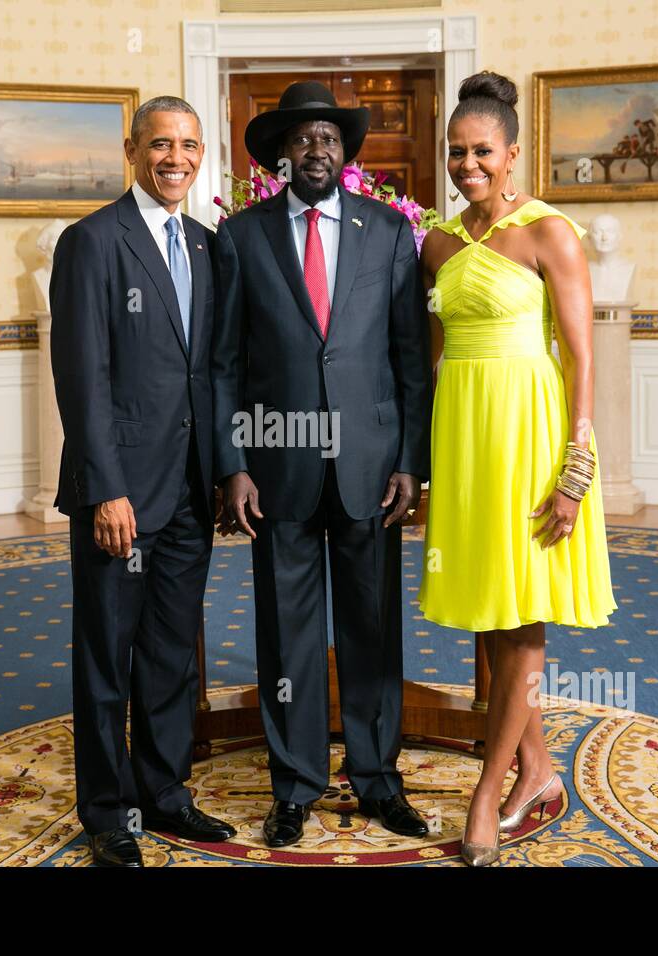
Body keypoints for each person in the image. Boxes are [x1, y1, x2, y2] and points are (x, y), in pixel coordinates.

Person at [212, 81, 434, 848]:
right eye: (303, 139)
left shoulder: (385, 232)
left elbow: (410, 356)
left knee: (373, 629)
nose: (317, 150)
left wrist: (411, 458)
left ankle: (378, 779)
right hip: (278, 469)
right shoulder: (240, 237)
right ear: (282, 153)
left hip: (372, 467)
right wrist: (233, 464)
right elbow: (224, 364)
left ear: (347, 153)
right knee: (287, 634)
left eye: (330, 138)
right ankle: (295, 784)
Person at [417, 71, 618, 867]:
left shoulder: (549, 233)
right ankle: (536, 767)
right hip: (465, 433)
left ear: (514, 153)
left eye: (483, 152)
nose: (469, 164)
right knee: (489, 607)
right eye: (457, 152)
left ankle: (487, 792)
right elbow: (432, 357)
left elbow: (581, 354)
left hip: (532, 434)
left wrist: (576, 468)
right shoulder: (435, 240)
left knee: (524, 612)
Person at [49, 95, 235, 868]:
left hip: (190, 493)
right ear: (132, 151)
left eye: (189, 146)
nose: (176, 159)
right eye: (161, 144)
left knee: (170, 657)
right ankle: (106, 811)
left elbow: (213, 371)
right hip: (120, 494)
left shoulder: (205, 243)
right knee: (107, 657)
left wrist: (226, 474)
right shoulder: (92, 242)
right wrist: (106, 489)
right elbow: (82, 375)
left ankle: (164, 792)